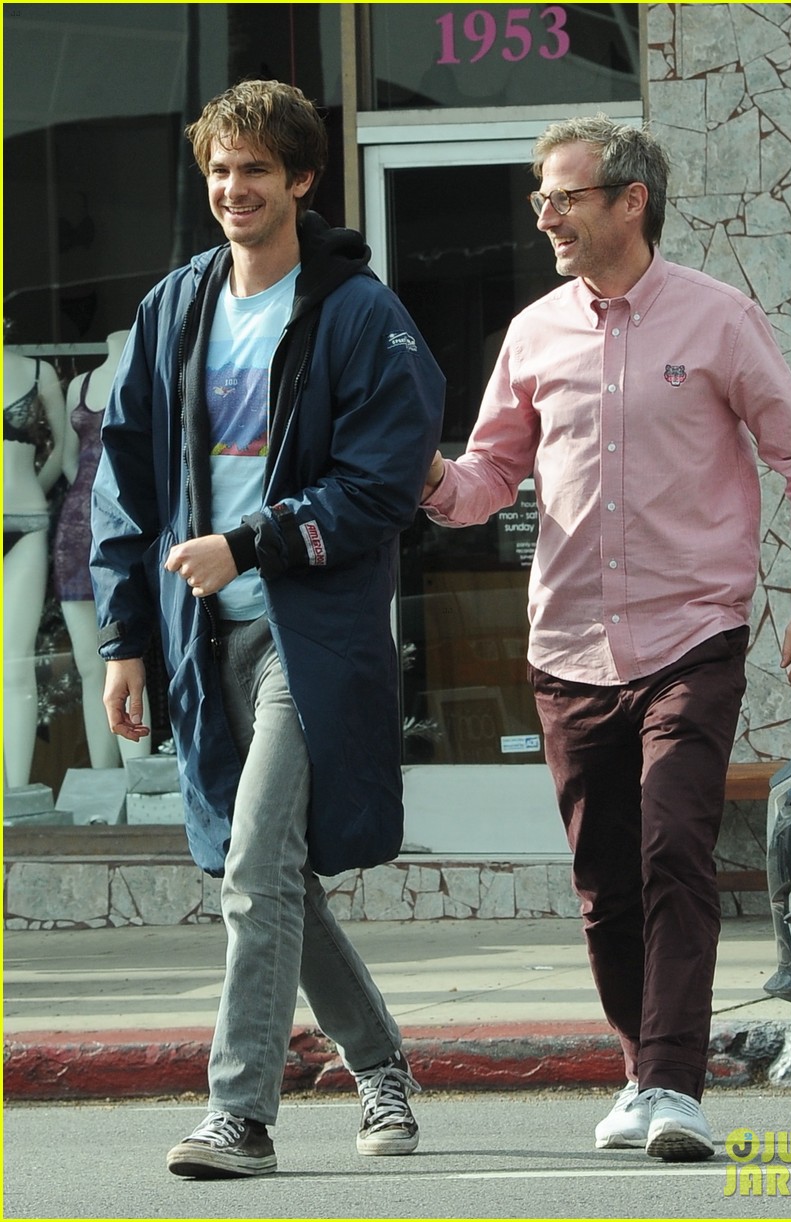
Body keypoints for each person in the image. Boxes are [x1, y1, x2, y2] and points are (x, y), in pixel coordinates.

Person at [421, 115, 791, 1162]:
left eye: (564, 195)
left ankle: (672, 1083)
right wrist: (427, 476)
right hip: (567, 646)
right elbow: (489, 478)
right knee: (604, 884)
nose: (545, 214)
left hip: (692, 634)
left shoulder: (719, 319)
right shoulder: (533, 333)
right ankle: (641, 1073)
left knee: (674, 849)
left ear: (631, 200)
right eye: (540, 195)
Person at [91, 80, 445, 1178]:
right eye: (219, 169)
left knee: (254, 867)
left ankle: (239, 1114)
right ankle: (380, 1063)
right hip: (203, 639)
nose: (233, 188)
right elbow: (124, 482)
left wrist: (250, 544)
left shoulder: (360, 314)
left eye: (254, 169)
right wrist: (124, 639)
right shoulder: (176, 306)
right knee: (271, 872)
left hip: (311, 637)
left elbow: (382, 484)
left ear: (302, 179)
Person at [55, 332, 152, 770]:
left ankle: (139, 780)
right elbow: (67, 460)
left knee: (130, 654)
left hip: (130, 526)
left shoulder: (151, 373)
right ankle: (101, 777)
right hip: (76, 530)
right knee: (89, 665)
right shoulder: (80, 385)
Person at [3, 343, 66, 789]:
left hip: (27, 523)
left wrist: (34, 493)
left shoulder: (39, 373)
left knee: (16, 666)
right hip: (28, 514)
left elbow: (63, 449)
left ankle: (18, 794)